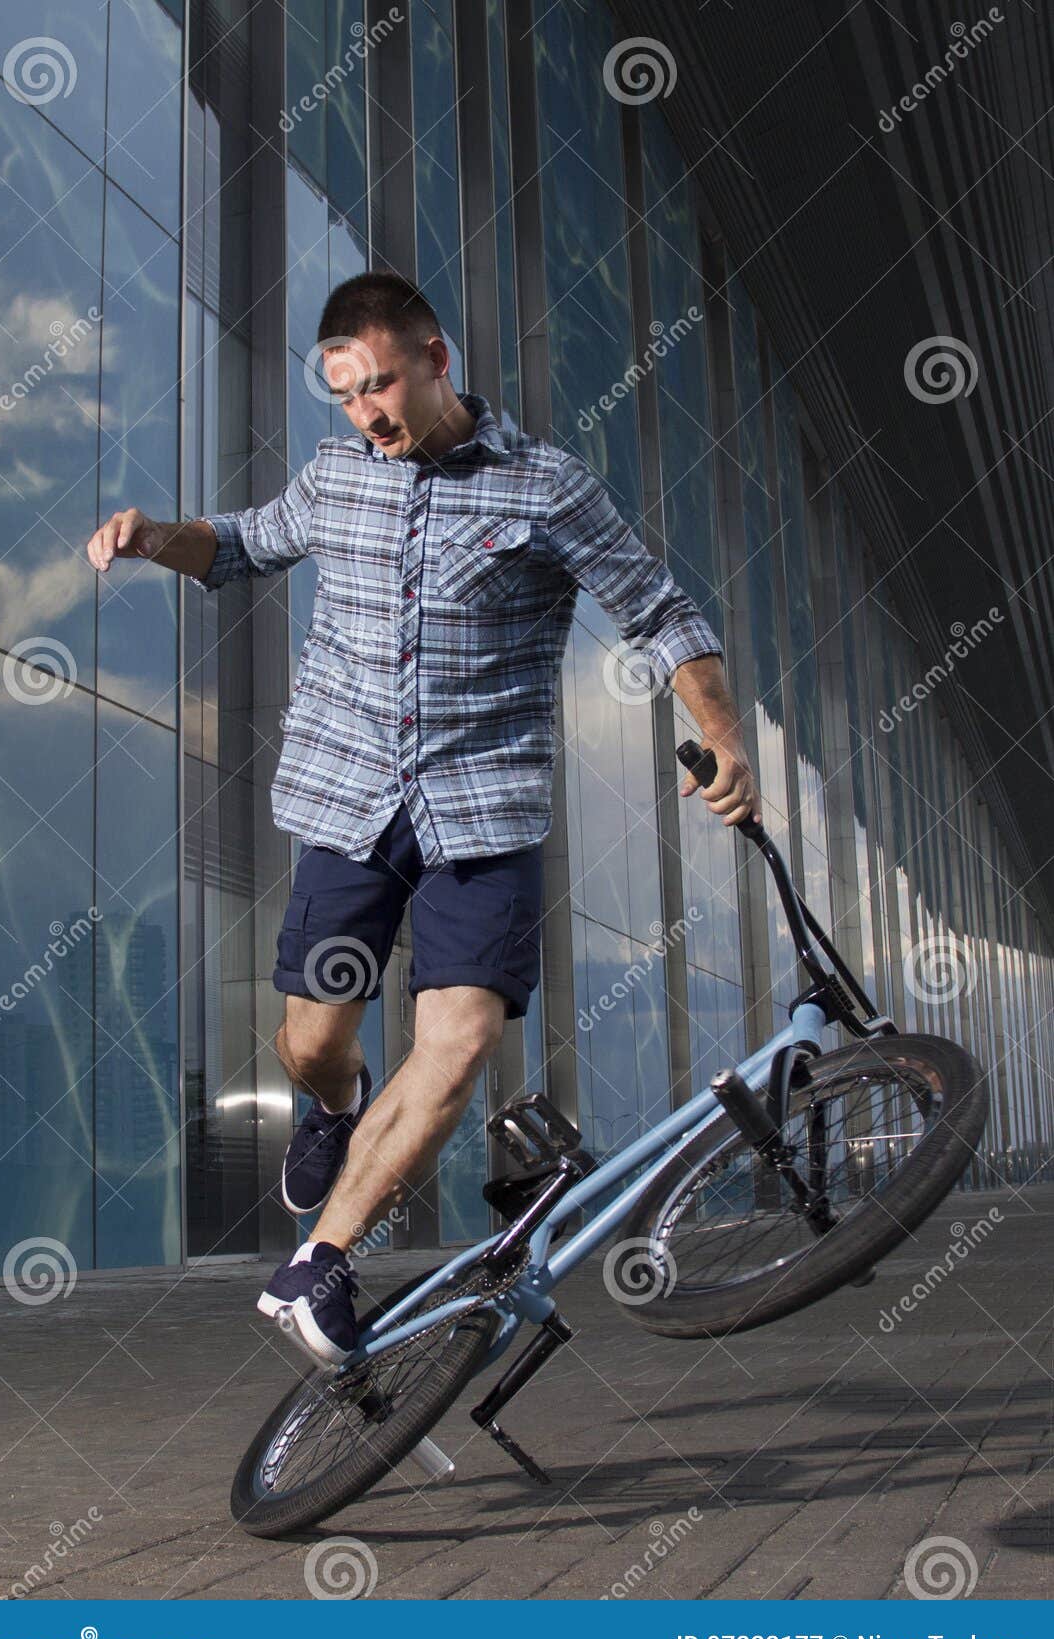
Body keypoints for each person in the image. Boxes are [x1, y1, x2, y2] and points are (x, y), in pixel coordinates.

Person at [86, 269, 761, 1367]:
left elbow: (661, 608)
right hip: (349, 799)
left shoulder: (546, 488)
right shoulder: (336, 477)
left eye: (383, 387)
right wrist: (157, 535)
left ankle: (323, 1265)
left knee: (455, 1046)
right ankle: (333, 1103)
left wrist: (724, 735)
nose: (369, 415)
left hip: (481, 813)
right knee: (310, 1038)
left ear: (438, 360)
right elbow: (246, 542)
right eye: (347, 397)